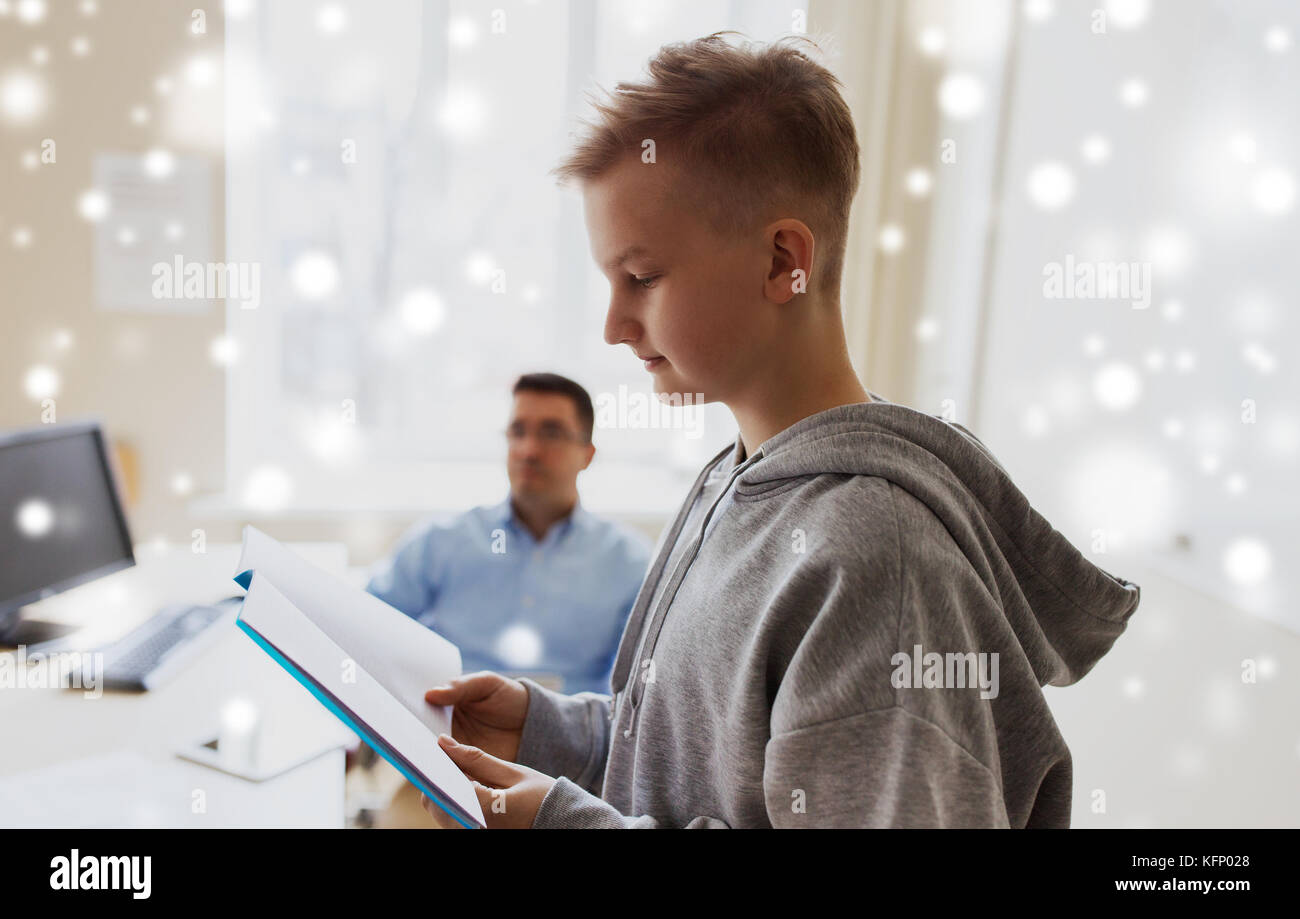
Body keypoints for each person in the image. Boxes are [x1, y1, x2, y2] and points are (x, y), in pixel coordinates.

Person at [421, 32, 1142, 828]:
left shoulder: (876, 567)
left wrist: (558, 822)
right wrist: (543, 728)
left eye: (642, 278)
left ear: (782, 263)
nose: (614, 327)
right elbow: (679, 761)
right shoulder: (735, 484)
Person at [365, 372, 650, 695]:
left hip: (570, 740)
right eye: (518, 431)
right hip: (444, 730)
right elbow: (364, 625)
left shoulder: (631, 564)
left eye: (551, 433)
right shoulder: (440, 543)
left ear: (587, 455)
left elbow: (640, 692)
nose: (528, 450)